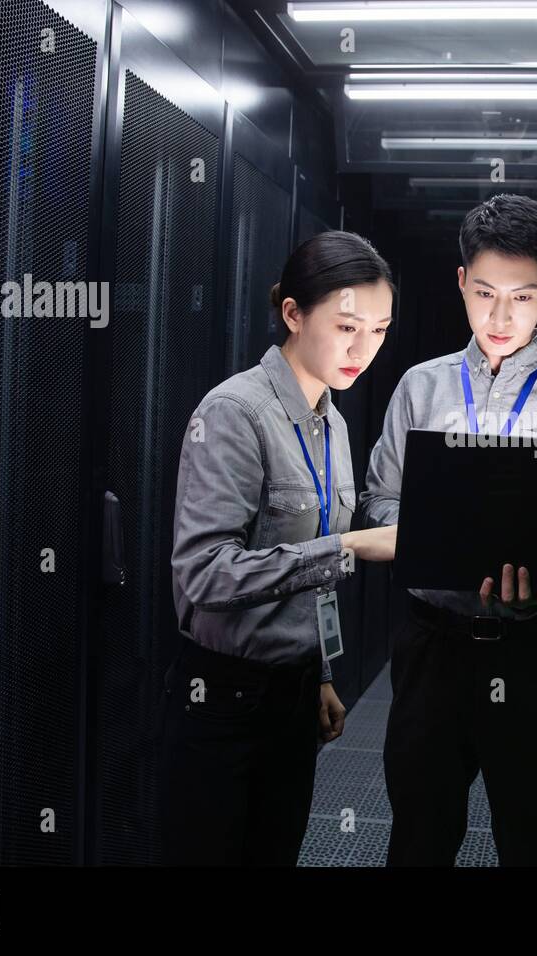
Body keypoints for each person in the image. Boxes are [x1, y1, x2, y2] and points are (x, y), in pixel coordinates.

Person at [361, 194, 537, 866]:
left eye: (521, 296)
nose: (500, 316)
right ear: (459, 283)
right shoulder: (420, 388)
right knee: (419, 833)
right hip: (433, 648)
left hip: (536, 652)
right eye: (483, 293)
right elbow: (380, 500)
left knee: (532, 838)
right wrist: (434, 543)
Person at [159, 231, 398, 865]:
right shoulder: (236, 412)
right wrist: (347, 545)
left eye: (379, 330)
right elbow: (203, 576)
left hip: (292, 695)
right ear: (293, 313)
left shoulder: (334, 424)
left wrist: (318, 672)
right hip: (223, 701)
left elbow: (307, 578)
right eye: (347, 325)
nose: (363, 348)